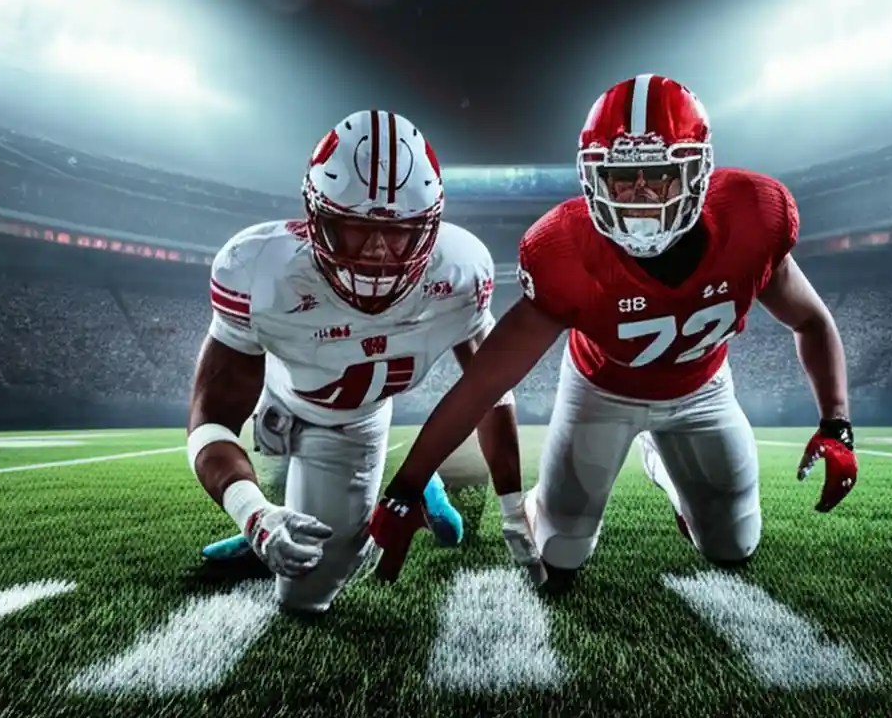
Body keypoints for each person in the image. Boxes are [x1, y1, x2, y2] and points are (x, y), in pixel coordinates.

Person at [368, 74, 858, 588]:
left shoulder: (752, 217)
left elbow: (810, 320)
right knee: (559, 554)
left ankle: (663, 463)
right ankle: (544, 505)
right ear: (593, 179)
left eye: (659, 174)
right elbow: (484, 383)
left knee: (732, 545)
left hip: (702, 390)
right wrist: (406, 487)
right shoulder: (565, 250)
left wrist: (837, 424)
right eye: (623, 177)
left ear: (697, 173)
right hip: (601, 391)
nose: (640, 194)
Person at [186, 110, 521, 612]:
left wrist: (512, 505)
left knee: (305, 595)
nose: (377, 253)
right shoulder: (258, 269)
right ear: (315, 218)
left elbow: (492, 388)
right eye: (354, 228)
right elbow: (210, 421)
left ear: (429, 227)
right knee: (278, 495)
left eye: (398, 231)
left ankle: (400, 502)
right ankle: (281, 519)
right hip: (276, 396)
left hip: (350, 422)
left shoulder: (459, 273)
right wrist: (253, 514)